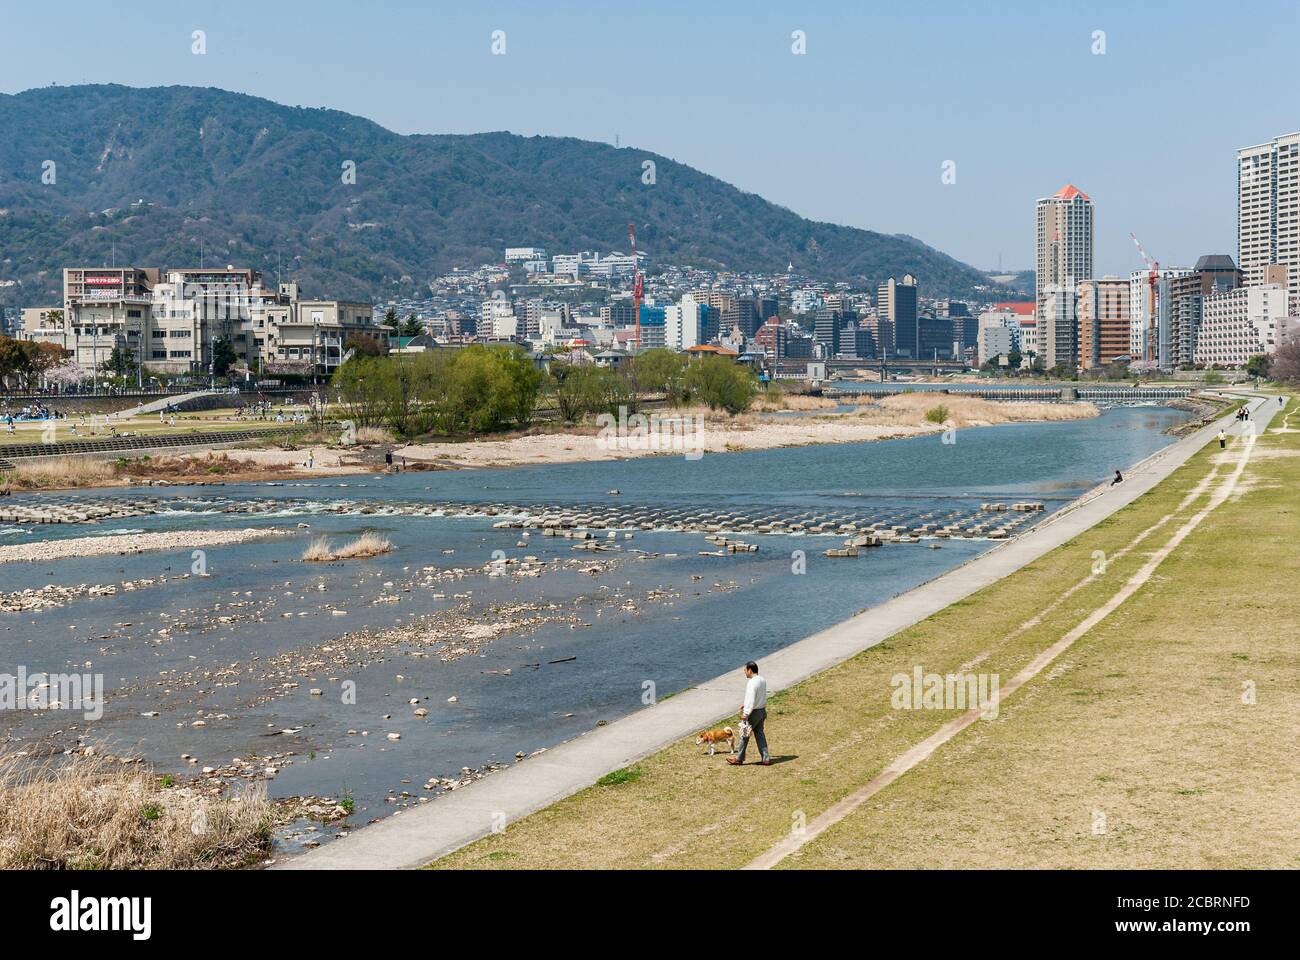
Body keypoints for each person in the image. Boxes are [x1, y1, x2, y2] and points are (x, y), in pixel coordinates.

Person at [727, 661, 770, 766]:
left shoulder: (752, 682)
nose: (745, 672)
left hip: (753, 713)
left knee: (744, 735)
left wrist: (746, 714)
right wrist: (745, 704)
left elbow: (751, 699)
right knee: (760, 734)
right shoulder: (762, 680)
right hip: (761, 711)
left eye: (745, 670)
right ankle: (766, 758)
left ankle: (739, 758)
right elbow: (759, 696)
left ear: (750, 670)